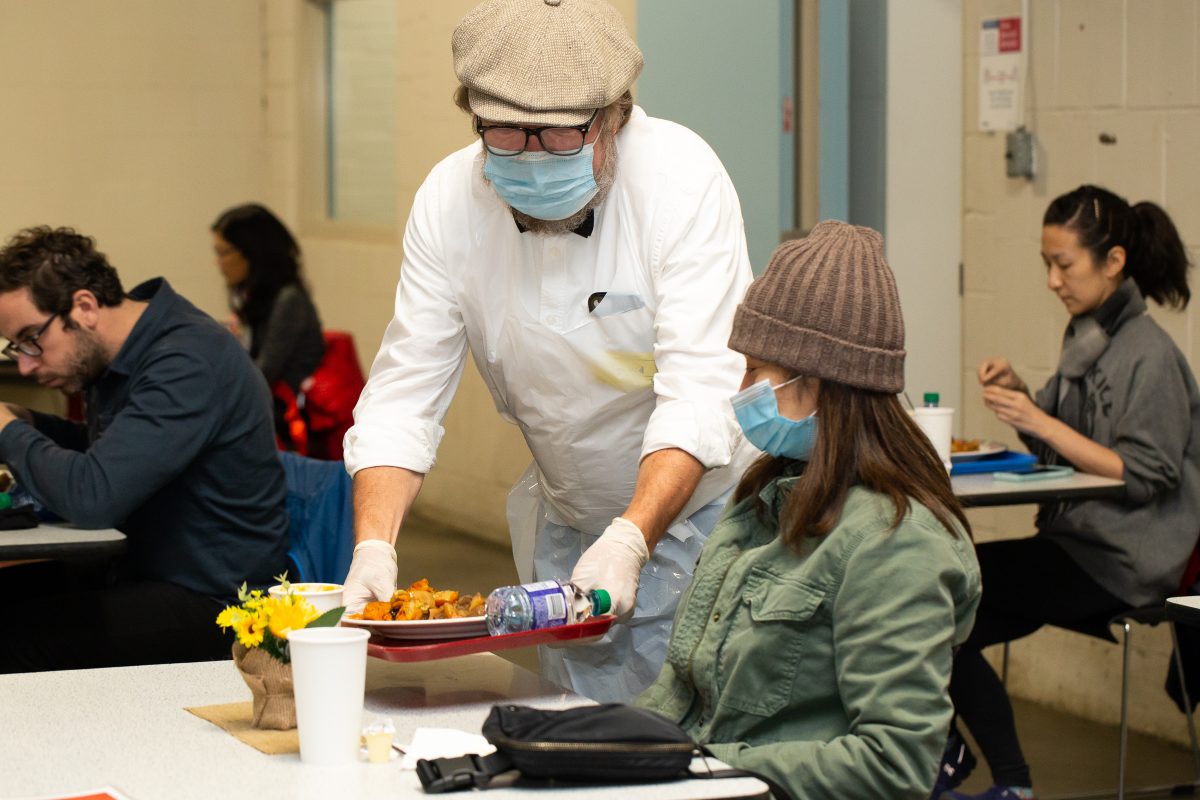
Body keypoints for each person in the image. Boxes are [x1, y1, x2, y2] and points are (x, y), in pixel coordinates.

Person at [341, 0, 757, 702]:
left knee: (705, 740)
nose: (530, 156)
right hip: (570, 522)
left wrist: (630, 539)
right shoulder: (450, 200)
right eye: (503, 132)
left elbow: (699, 394)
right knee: (580, 735)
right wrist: (373, 544)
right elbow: (405, 391)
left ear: (615, 117)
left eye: (559, 137)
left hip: (705, 517)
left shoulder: (681, 181)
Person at [635, 221, 982, 800]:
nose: (740, 387)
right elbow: (683, 691)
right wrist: (601, 753)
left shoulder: (897, 543)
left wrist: (698, 774)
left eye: (753, 370)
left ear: (817, 381)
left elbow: (893, 765)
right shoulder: (764, 497)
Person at [941, 185, 1200, 800]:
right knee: (940, 603)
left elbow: (1145, 472)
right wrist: (1022, 398)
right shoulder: (1087, 336)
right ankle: (970, 764)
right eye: (1046, 264)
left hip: (1122, 560)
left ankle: (1006, 779)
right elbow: (1063, 449)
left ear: (1113, 262)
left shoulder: (1151, 355)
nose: (1053, 279)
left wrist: (1039, 420)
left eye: (1065, 264)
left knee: (936, 599)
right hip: (1074, 543)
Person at [0, 226, 289, 673]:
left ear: (85, 306)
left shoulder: (186, 360)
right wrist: (30, 422)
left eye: (31, 339)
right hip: (142, 574)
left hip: (216, 604)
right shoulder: (127, 352)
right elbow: (116, 454)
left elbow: (94, 496)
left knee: (13, 636)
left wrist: (7, 432)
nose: (25, 363)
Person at [212, 203, 325, 450]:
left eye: (224, 253)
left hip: (290, 421)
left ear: (252, 253)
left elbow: (262, 374)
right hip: (266, 409)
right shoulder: (250, 295)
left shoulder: (288, 300)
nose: (217, 262)